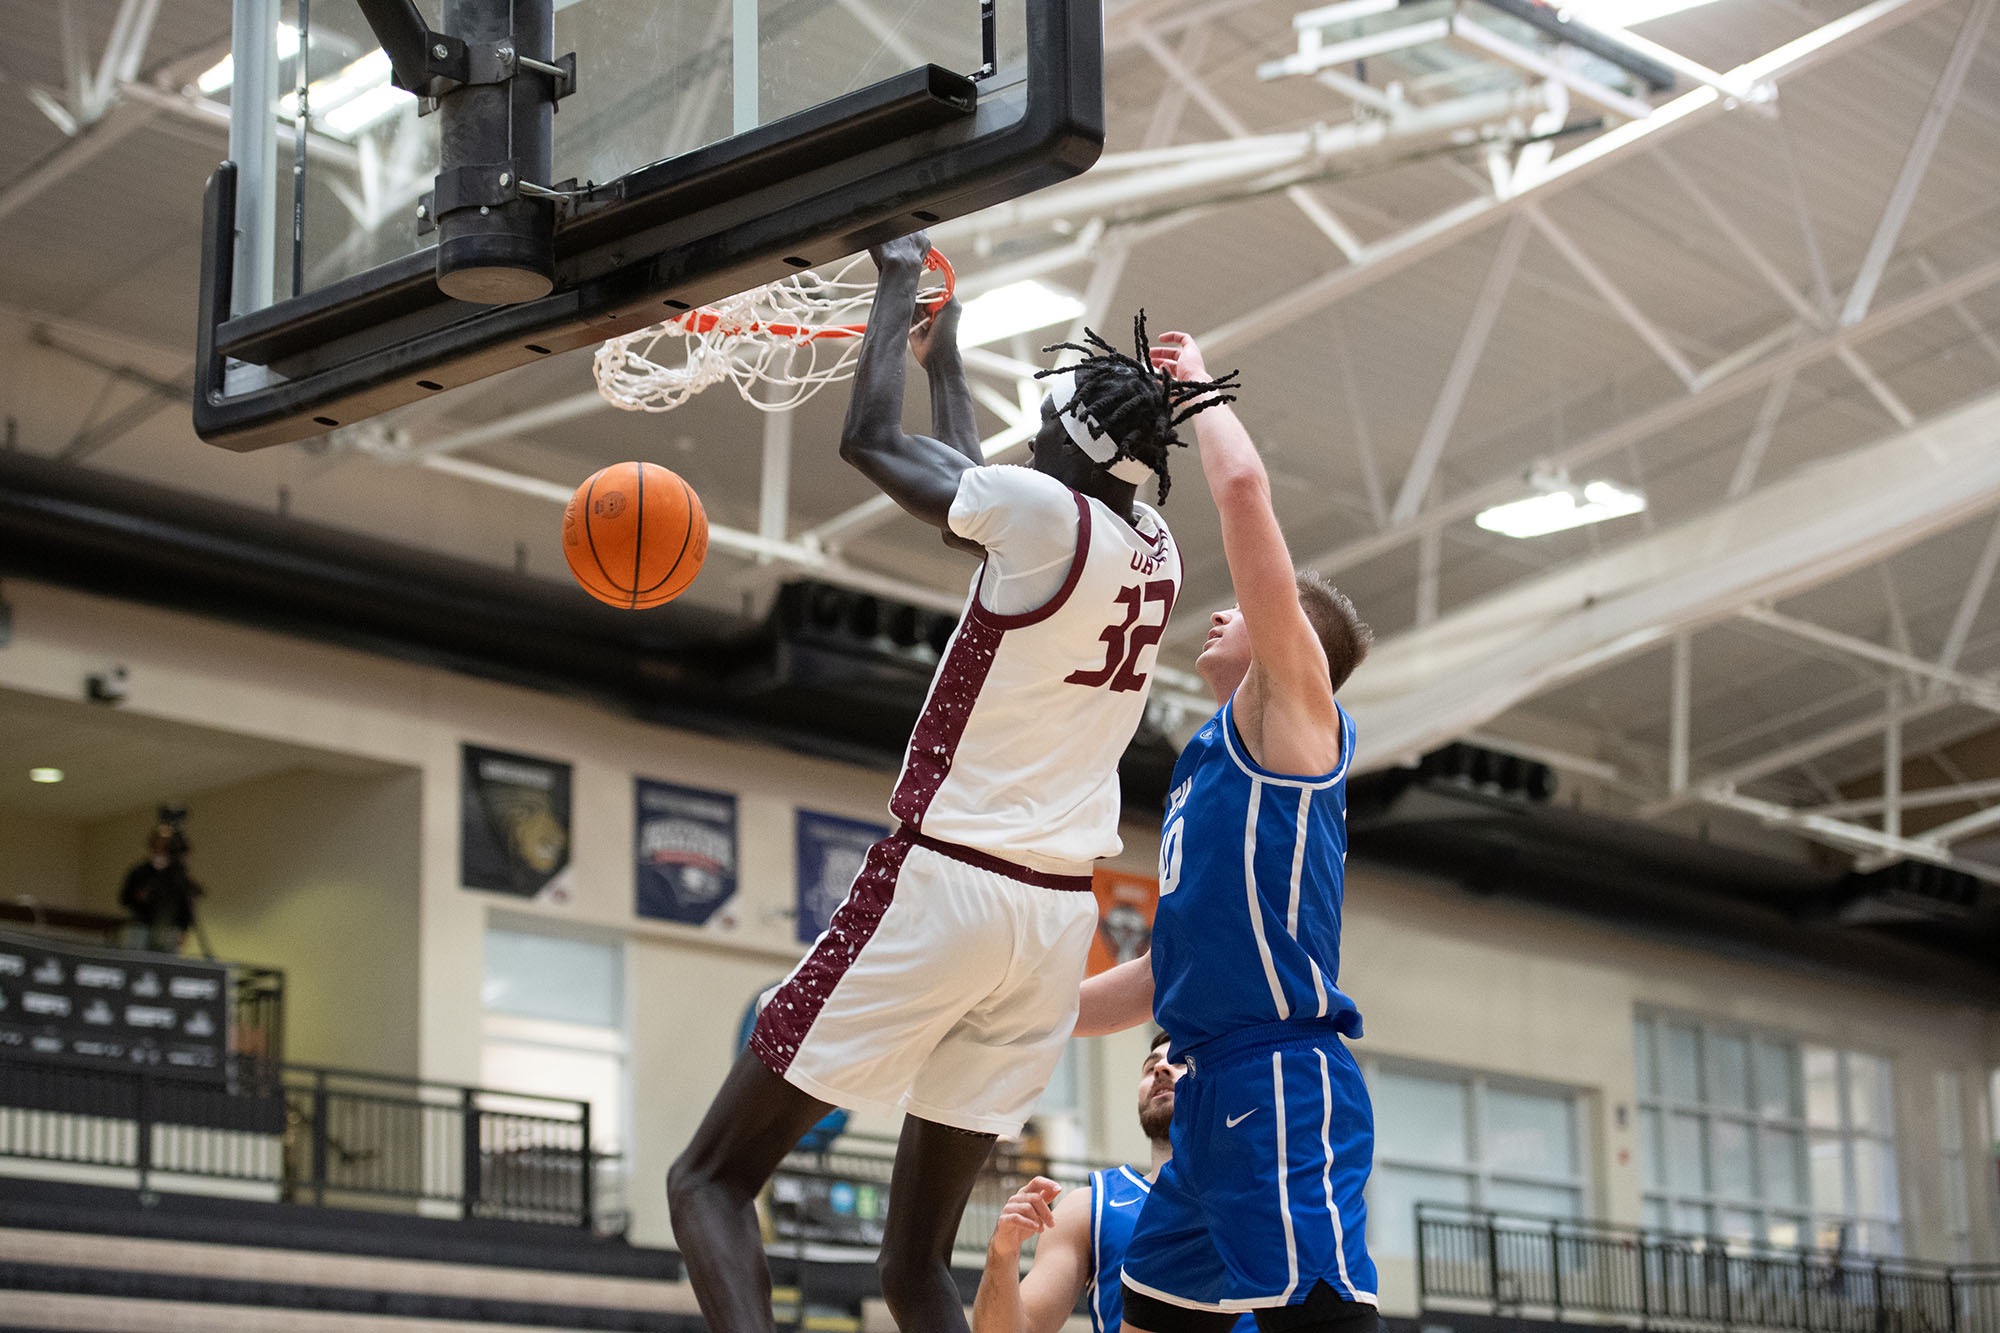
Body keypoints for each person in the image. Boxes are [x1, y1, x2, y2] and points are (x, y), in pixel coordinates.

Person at [667, 234, 1240, 1333]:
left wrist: (891, 286)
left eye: (1045, 415)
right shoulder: (1151, 545)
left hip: (946, 884)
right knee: (916, 1267)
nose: (1022, 433)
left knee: (709, 1179)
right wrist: (944, 357)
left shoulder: (1038, 518)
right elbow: (990, 509)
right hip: (1050, 923)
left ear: (1064, 444)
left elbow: (868, 440)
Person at [1076, 329, 1379, 1333]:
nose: (1216, 614)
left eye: (1245, 609)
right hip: (1206, 1089)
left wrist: (1197, 391)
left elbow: (1242, 495)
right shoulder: (1208, 763)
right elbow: (1165, 974)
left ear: (1292, 641)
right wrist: (1007, 1006)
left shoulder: (1289, 717)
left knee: (1317, 1322)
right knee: (1153, 1316)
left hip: (1279, 1080)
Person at [973, 1033, 1255, 1333]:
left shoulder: (1269, 1193)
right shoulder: (1089, 1206)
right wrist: (1001, 1254)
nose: (1161, 1070)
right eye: (1150, 1067)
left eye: (1180, 1062)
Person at [119, 813, 203, 954]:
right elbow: (125, 898)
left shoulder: (177, 874)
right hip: (142, 926)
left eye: (167, 841)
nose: (163, 845)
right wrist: (140, 897)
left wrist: (184, 929)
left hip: (168, 929)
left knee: (165, 965)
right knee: (134, 960)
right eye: (160, 840)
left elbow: (186, 903)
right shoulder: (140, 871)